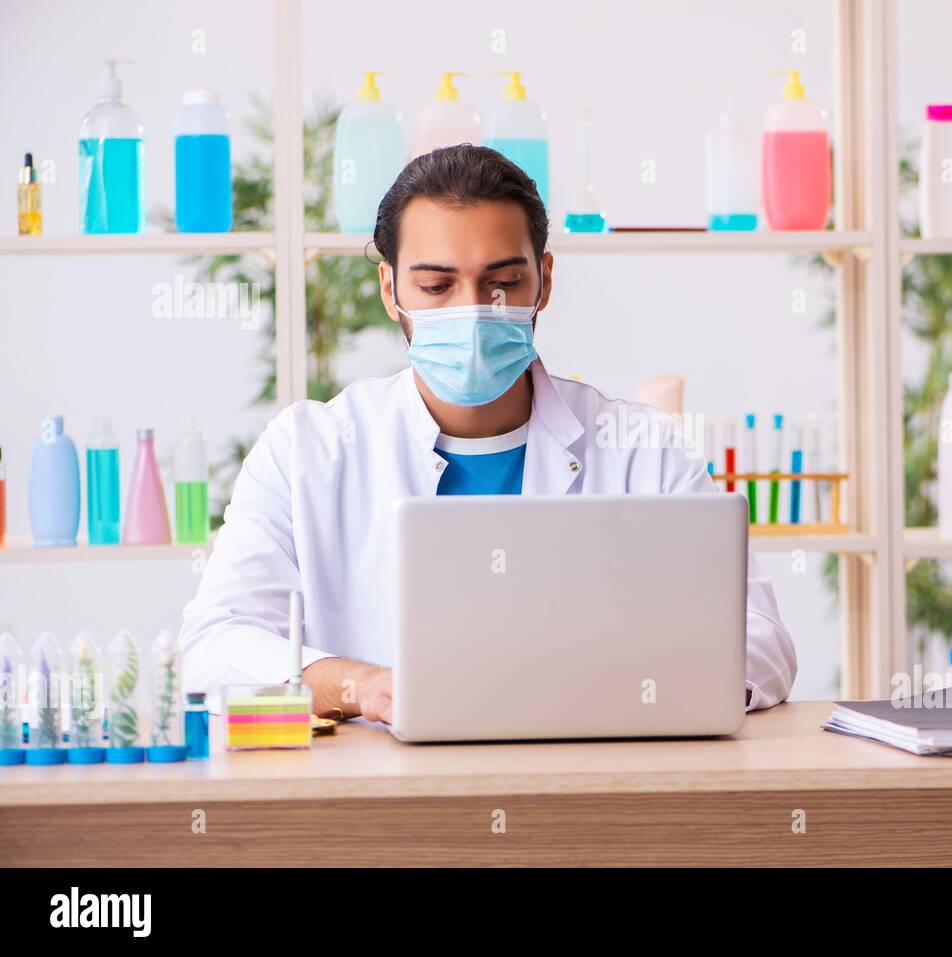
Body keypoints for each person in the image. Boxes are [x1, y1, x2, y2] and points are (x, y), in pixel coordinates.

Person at [178, 145, 797, 724]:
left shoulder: (641, 448)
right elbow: (213, 647)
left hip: (590, 787)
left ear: (544, 281)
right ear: (391, 289)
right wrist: (358, 687)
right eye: (436, 285)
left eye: (502, 281)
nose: (473, 309)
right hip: (380, 804)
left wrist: (606, 685)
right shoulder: (307, 450)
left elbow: (760, 640)